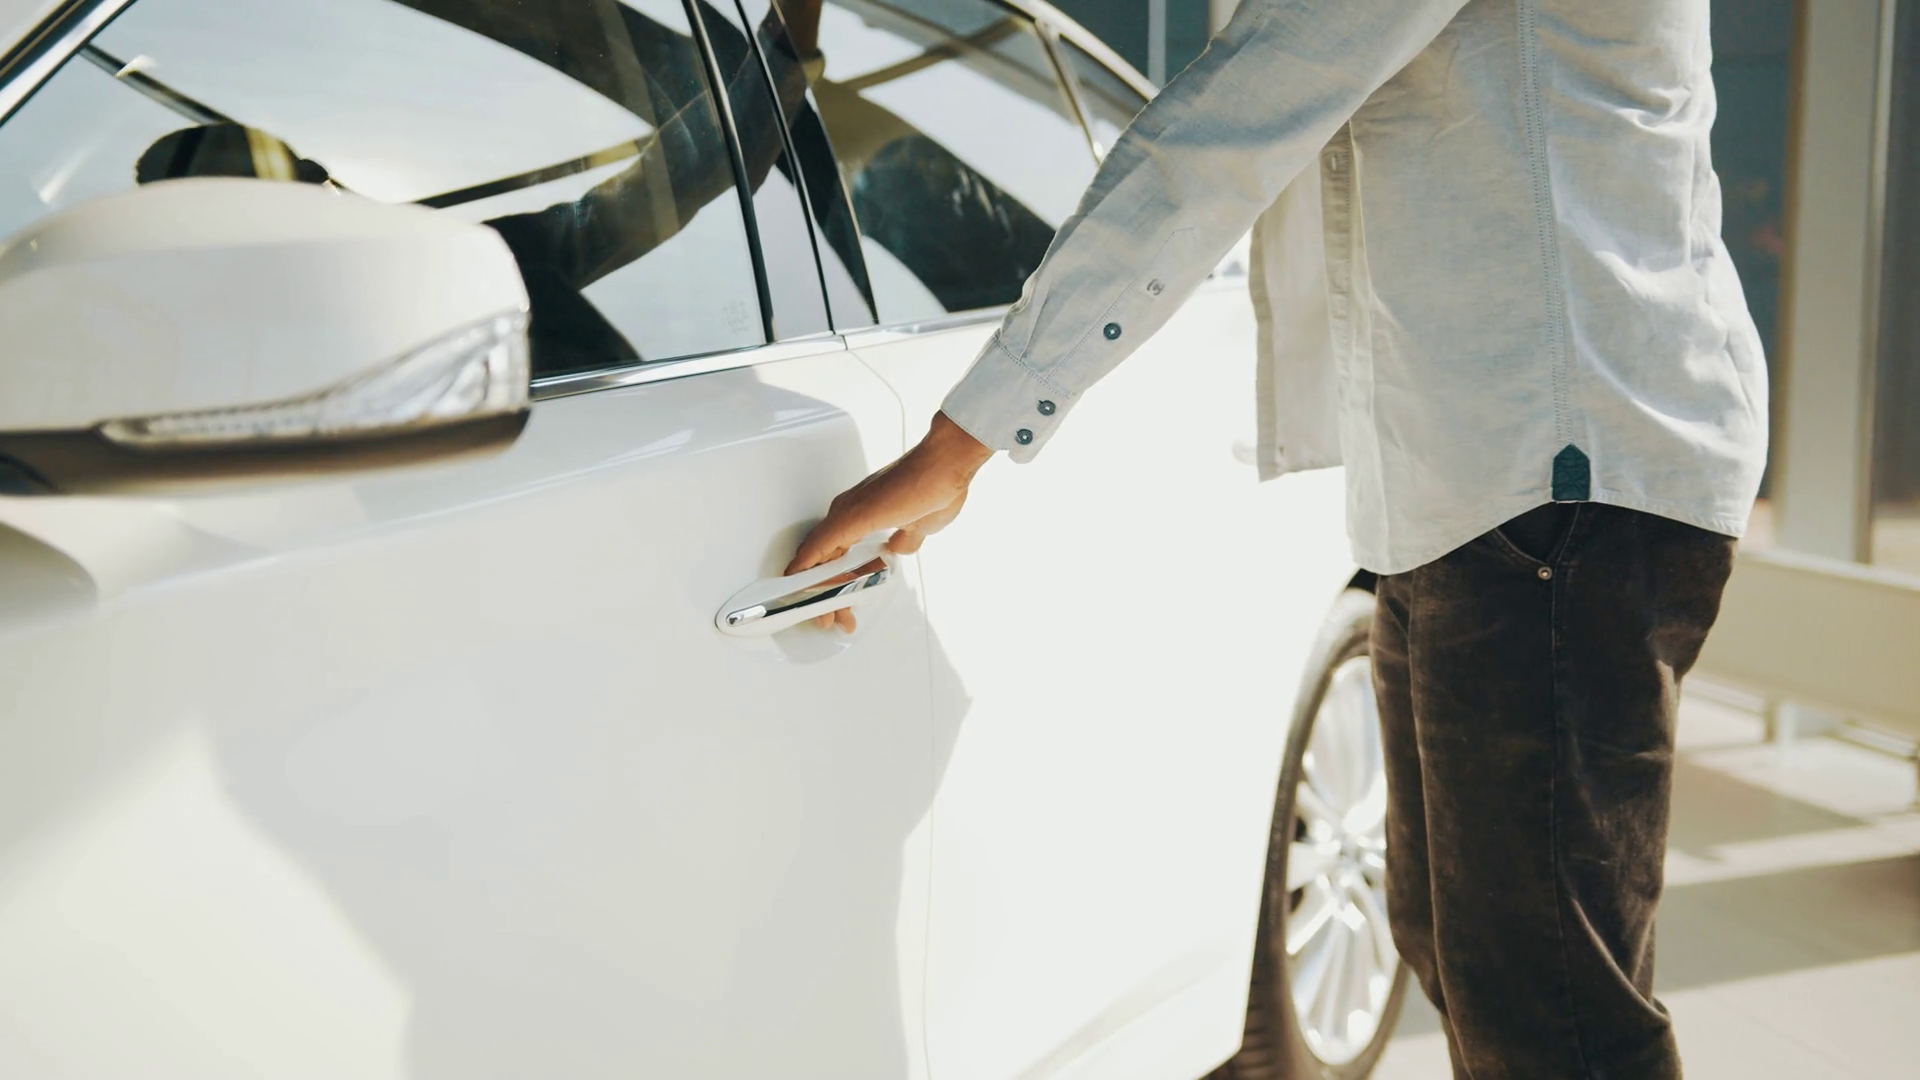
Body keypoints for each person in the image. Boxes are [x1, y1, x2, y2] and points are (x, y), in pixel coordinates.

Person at [785, 2, 1766, 1079]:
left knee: (1553, 1023)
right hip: (1491, 478)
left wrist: (961, 442)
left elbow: (1232, 118)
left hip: (1550, 474)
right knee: (1472, 959)